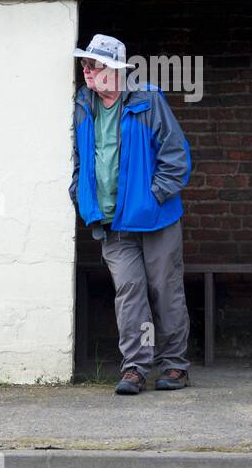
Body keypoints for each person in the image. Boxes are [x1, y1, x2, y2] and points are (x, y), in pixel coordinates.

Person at [69, 34, 192, 395]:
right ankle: (136, 367)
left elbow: (177, 156)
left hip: (156, 220)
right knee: (129, 292)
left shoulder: (147, 100)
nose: (87, 72)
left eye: (95, 65)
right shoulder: (82, 104)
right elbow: (79, 158)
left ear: (117, 70)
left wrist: (152, 197)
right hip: (112, 223)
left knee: (165, 291)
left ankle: (174, 366)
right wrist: (81, 194)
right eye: (85, 64)